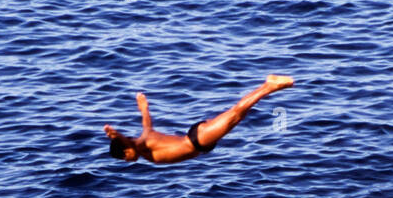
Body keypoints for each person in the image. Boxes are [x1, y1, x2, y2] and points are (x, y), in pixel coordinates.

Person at [104, 75, 294, 165]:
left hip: (198, 140)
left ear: (127, 148)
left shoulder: (141, 145)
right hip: (200, 141)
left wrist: (115, 135)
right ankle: (269, 86)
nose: (127, 160)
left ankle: (269, 86)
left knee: (236, 114)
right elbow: (146, 119)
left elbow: (127, 142)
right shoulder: (145, 138)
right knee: (238, 117)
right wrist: (143, 105)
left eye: (124, 156)